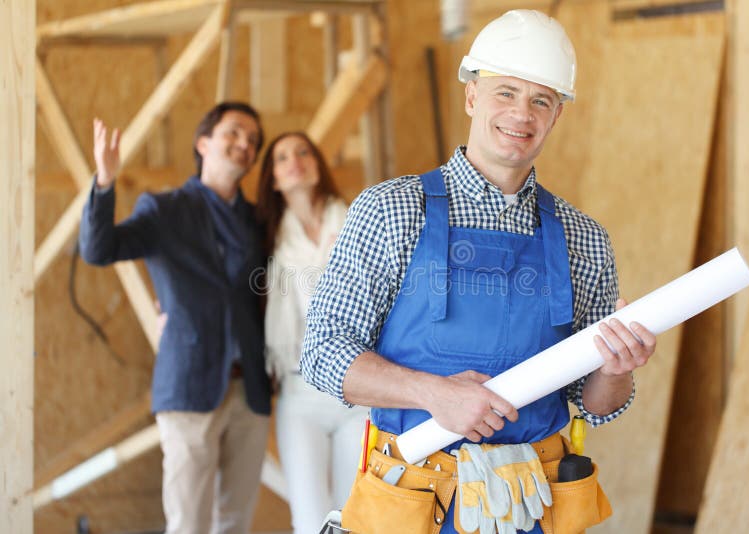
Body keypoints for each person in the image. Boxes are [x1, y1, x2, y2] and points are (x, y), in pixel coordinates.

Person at [302, 9, 656, 534]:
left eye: (542, 100)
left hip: (532, 507)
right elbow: (323, 353)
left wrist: (619, 367)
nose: (523, 113)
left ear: (557, 115)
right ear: (471, 96)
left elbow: (596, 404)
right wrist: (433, 394)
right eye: (506, 92)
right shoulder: (392, 210)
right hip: (414, 502)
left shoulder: (584, 239)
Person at [80, 102, 272, 534]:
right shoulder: (164, 210)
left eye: (253, 141)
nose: (245, 144)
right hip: (188, 385)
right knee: (187, 523)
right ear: (203, 143)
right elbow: (99, 249)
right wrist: (105, 181)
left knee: (235, 523)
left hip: (251, 390)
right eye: (235, 133)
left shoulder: (259, 220)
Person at [255, 132, 369, 534]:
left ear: (318, 164)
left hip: (357, 388)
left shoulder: (358, 222)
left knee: (354, 514)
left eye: (303, 152)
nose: (295, 161)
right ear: (273, 179)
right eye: (282, 157)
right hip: (301, 393)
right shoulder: (268, 241)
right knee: (309, 519)